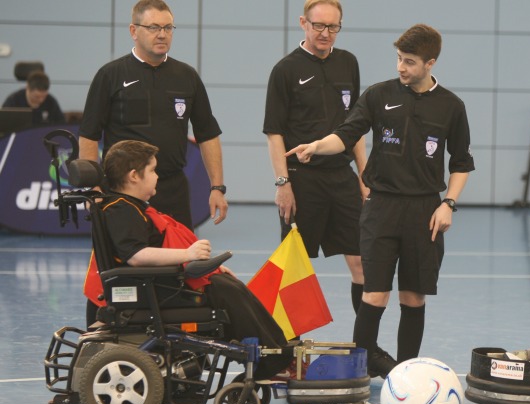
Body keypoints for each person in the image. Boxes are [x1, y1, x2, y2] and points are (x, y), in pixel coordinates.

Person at [287, 24, 475, 378]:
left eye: (410, 61)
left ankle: (406, 376)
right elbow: (345, 136)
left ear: (430, 62)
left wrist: (448, 203)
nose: (401, 67)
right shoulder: (378, 95)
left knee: (413, 298)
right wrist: (315, 146)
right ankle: (359, 372)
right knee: (374, 295)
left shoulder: (451, 106)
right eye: (399, 59)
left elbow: (462, 164)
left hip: (425, 211)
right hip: (381, 208)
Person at [98, 139, 291, 379]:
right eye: (153, 170)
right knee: (226, 292)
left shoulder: (131, 207)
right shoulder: (121, 210)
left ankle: (279, 351)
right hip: (150, 290)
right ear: (134, 176)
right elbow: (136, 256)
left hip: (158, 284)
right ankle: (275, 359)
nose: (157, 176)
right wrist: (188, 255)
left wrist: (207, 269)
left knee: (228, 285)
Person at [263, 0, 370, 345]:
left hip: (342, 178)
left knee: (363, 263)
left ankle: (365, 344)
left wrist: (364, 175)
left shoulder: (348, 63)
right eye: (319, 26)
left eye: (333, 27)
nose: (326, 34)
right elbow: (274, 133)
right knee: (295, 267)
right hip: (301, 180)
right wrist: (283, 183)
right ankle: (288, 345)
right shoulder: (285, 70)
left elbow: (354, 127)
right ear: (303, 24)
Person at [79, 0, 227, 230]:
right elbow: (89, 135)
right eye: (154, 28)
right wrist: (93, 188)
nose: (162, 34)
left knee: (180, 262)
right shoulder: (110, 75)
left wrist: (217, 187)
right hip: (122, 191)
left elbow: (207, 134)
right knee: (128, 263)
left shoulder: (187, 76)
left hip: (172, 189)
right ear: (133, 31)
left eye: (168, 28)